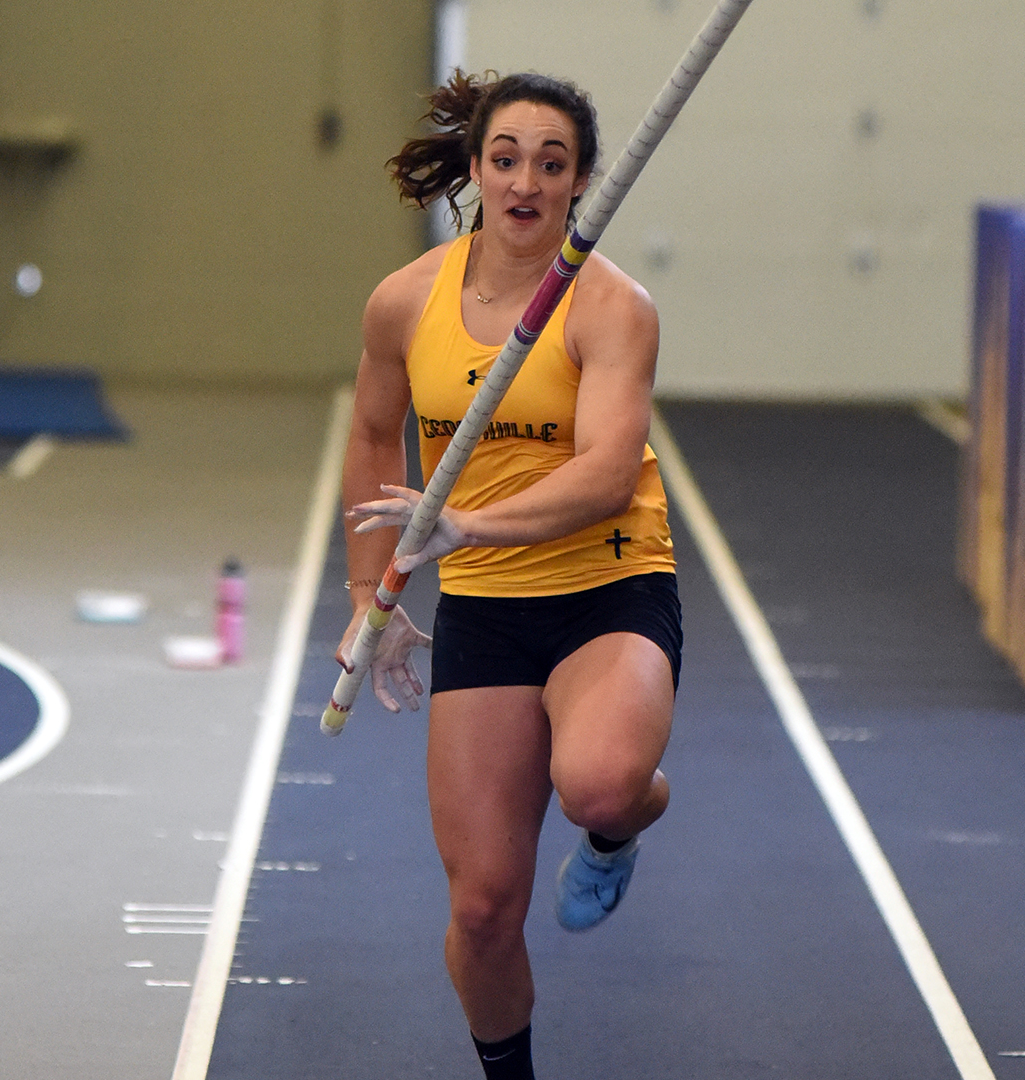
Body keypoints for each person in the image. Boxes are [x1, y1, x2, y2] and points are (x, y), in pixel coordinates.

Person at [337, 70, 682, 1080]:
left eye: (553, 163)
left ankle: (629, 825)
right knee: (484, 908)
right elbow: (370, 438)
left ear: (582, 183)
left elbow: (609, 475)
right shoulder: (407, 301)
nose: (527, 182)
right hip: (487, 607)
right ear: (475, 169)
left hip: (607, 588)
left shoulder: (613, 308)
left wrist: (471, 524)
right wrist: (370, 598)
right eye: (506, 159)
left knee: (601, 785)